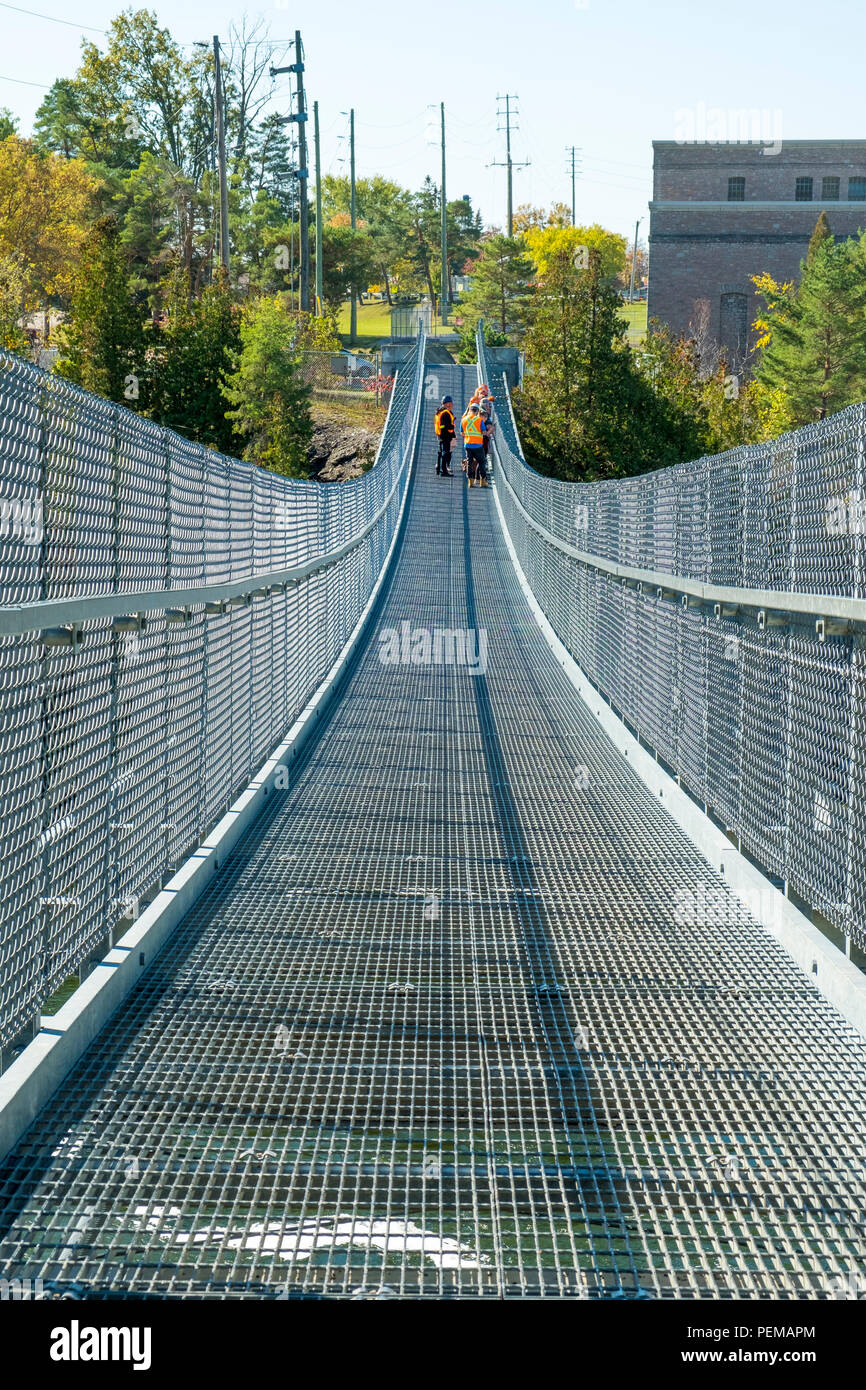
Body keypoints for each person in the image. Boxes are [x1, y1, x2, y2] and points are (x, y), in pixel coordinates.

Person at [461, 402, 489, 487]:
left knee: (469, 462)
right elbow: (484, 433)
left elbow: (462, 433)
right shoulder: (479, 420)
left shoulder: (464, 420)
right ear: (477, 411)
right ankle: (482, 481)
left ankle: (471, 482)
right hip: (478, 445)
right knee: (481, 462)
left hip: (468, 444)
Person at [434, 396, 455, 476]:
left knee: (440, 452)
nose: (451, 405)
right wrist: (451, 427)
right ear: (445, 404)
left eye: (451, 403)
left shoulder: (439, 412)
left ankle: (439, 468)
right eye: (449, 403)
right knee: (445, 452)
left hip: (440, 434)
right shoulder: (445, 413)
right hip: (445, 435)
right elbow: (443, 425)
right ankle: (444, 470)